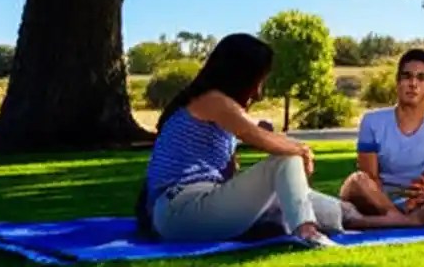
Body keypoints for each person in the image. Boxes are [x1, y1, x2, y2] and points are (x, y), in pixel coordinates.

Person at [135, 33, 367, 248]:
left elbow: (242, 151)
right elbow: (255, 136)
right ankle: (307, 233)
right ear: (238, 77)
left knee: (327, 208)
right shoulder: (212, 100)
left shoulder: (219, 115)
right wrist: (301, 151)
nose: (258, 93)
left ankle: (393, 220)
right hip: (180, 209)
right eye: (257, 81)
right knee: (285, 158)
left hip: (203, 206)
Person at [338, 49, 424, 227]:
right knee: (357, 181)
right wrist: (387, 203)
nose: (413, 83)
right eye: (406, 76)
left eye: (420, 77)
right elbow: (371, 176)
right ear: (397, 82)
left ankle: (373, 222)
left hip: (414, 202)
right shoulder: (372, 121)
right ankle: (399, 219)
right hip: (373, 196)